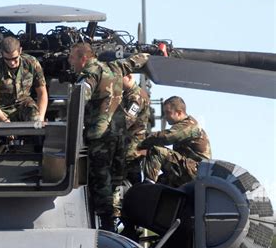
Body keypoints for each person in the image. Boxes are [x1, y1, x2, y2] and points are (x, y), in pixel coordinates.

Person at [67, 43, 149, 230]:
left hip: (100, 137)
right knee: (116, 180)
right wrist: (150, 53)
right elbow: (137, 60)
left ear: (84, 59)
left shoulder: (91, 73)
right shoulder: (115, 67)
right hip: (119, 137)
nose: (70, 61)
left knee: (100, 180)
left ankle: (106, 224)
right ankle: (122, 224)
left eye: (72, 57)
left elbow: (81, 97)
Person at [139, 96, 212, 187]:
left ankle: (146, 187)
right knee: (161, 183)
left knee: (156, 151)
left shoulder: (189, 125)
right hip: (188, 169)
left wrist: (140, 139)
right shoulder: (182, 125)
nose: (165, 117)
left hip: (195, 171)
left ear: (179, 113)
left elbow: (166, 137)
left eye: (168, 113)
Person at [0, 36, 48, 124]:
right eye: (7, 59)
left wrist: (40, 118)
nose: (12, 63)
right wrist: (5, 122)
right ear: (2, 54)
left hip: (23, 105)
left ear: (20, 51)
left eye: (14, 58)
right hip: (0, 108)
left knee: (35, 119)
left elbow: (42, 93)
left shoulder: (31, 63)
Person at [111, 74, 151, 210]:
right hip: (129, 144)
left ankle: (120, 214)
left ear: (128, 77)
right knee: (129, 181)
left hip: (131, 146)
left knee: (120, 180)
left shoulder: (136, 96)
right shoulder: (128, 94)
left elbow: (127, 120)